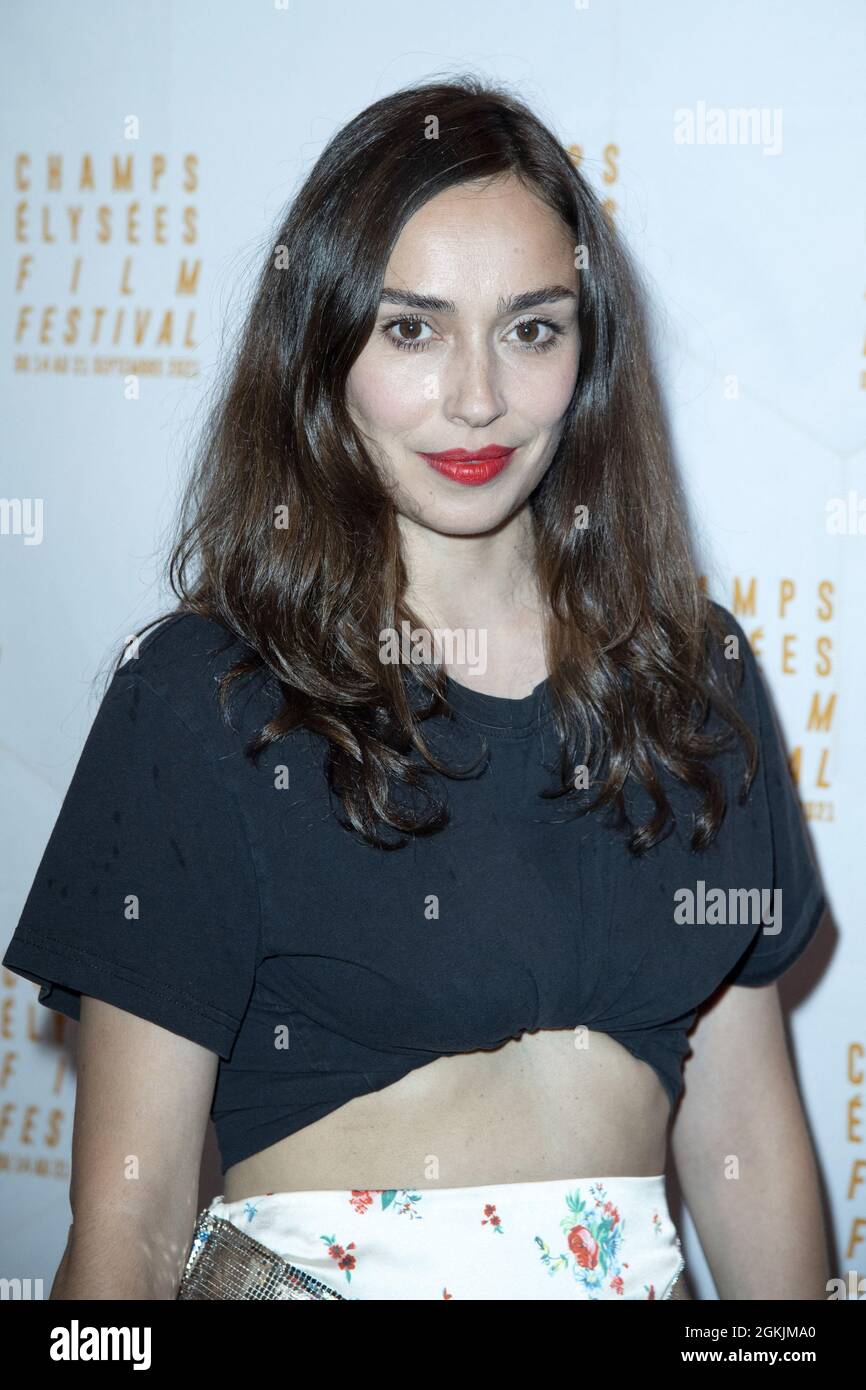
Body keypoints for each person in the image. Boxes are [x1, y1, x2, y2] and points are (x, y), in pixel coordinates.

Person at [3, 74, 829, 1301]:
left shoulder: (685, 674)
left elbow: (742, 1140)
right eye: (412, 328)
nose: (478, 398)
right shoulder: (205, 696)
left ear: (586, 353)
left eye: (531, 328)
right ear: (323, 346)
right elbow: (128, 1222)